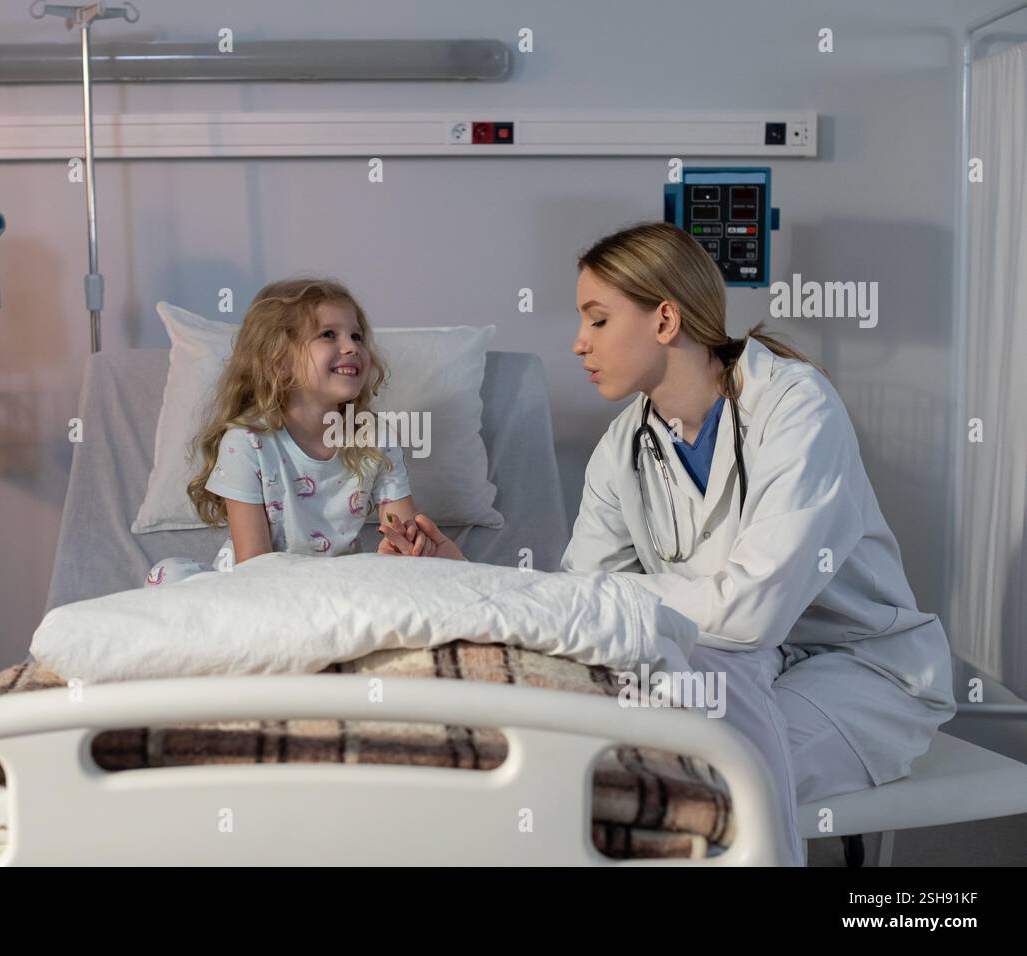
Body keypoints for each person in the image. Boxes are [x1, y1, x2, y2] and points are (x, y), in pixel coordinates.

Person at [379, 222, 957, 866]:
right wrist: (475, 580)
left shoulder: (796, 409)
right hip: (731, 670)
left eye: (597, 321)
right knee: (610, 759)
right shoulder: (623, 447)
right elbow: (579, 612)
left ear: (664, 320)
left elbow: (749, 616)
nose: (577, 343)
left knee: (702, 776)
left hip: (858, 671)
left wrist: (594, 595)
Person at [145, 277, 435, 587]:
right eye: (328, 334)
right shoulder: (246, 443)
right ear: (279, 362)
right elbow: (254, 566)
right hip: (255, 587)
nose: (352, 347)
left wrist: (408, 548)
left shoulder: (375, 438)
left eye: (357, 336)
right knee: (168, 575)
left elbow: (403, 536)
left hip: (338, 585)